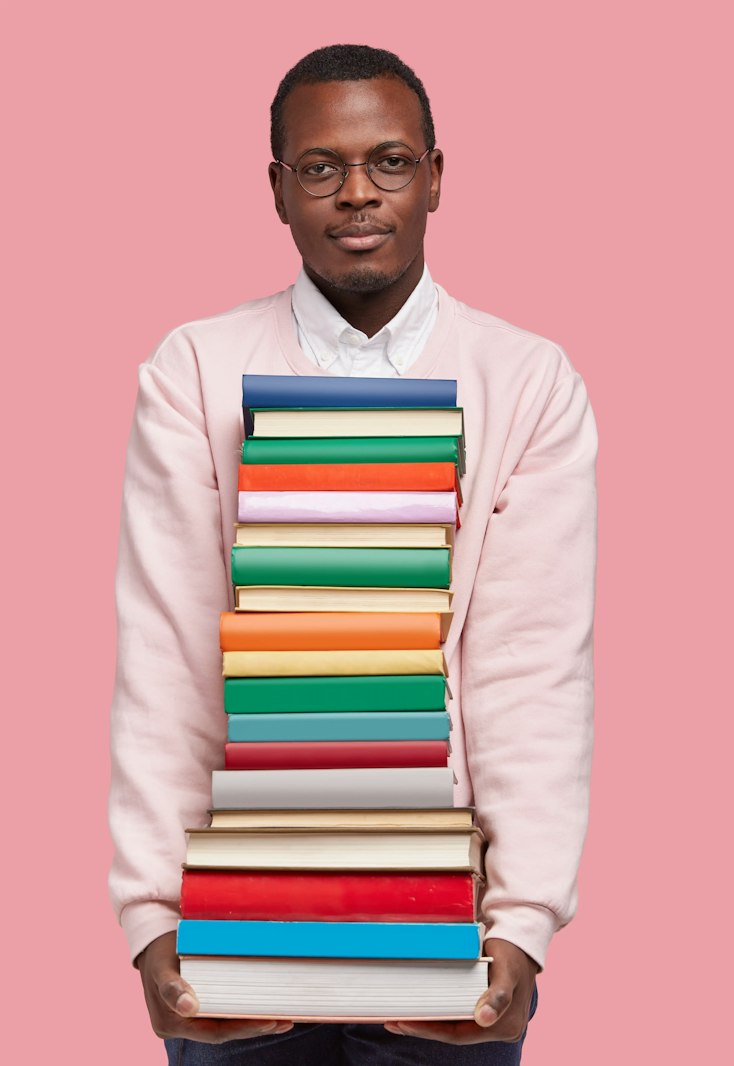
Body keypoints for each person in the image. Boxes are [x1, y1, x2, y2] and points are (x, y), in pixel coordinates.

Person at [107, 44, 597, 1063]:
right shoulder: (194, 370)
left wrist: (522, 926)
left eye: (391, 161)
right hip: (235, 917)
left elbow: (531, 667)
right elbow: (170, 658)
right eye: (321, 168)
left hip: (447, 922)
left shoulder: (529, 380)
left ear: (436, 177)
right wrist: (152, 917)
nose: (358, 193)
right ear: (277, 189)